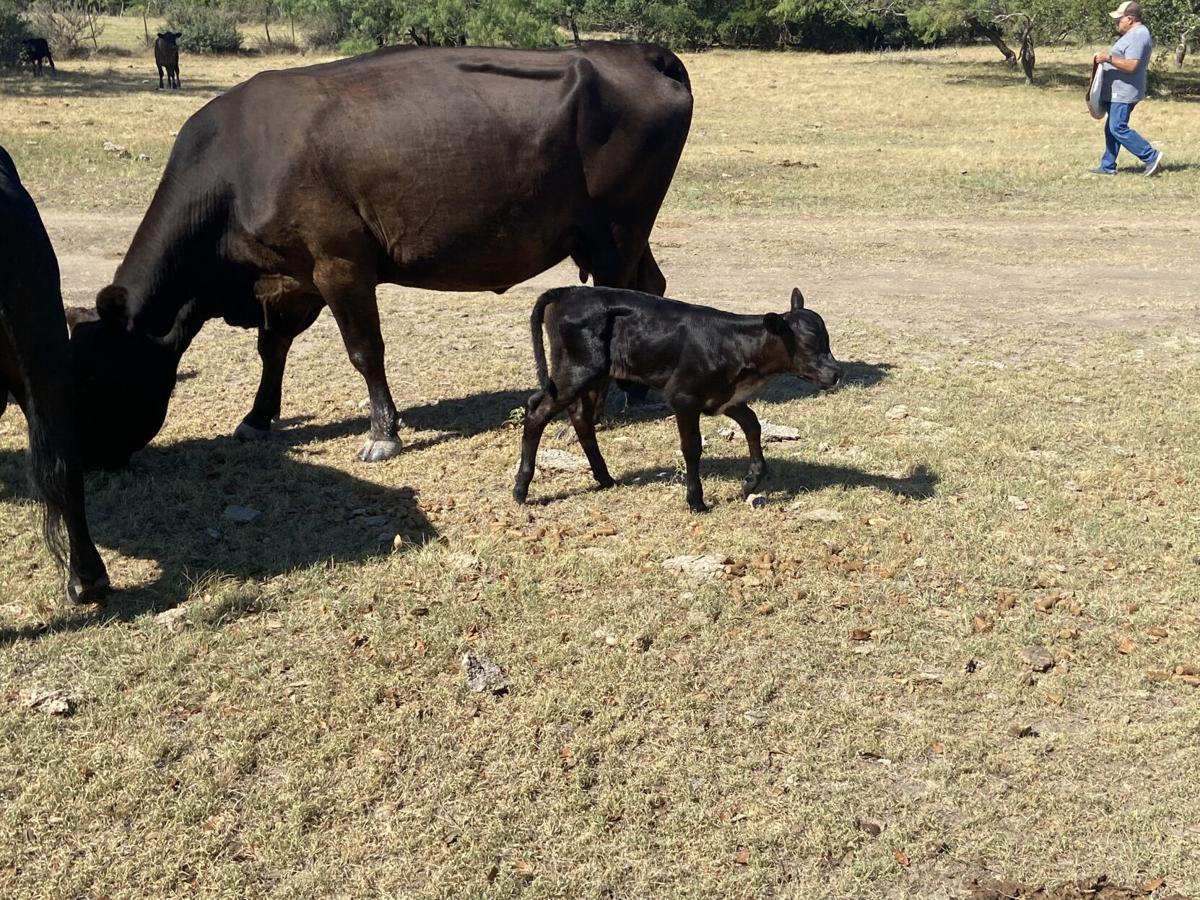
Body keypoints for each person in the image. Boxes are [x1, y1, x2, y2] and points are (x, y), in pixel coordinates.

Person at [1091, 1, 1162, 176]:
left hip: (1124, 92)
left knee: (1117, 127)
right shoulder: (1133, 34)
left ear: (1129, 19)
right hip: (1118, 91)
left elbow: (1132, 66)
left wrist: (1107, 58)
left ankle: (1150, 155)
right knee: (1111, 128)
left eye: (1119, 19)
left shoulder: (1138, 35)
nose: (1117, 23)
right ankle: (1107, 166)